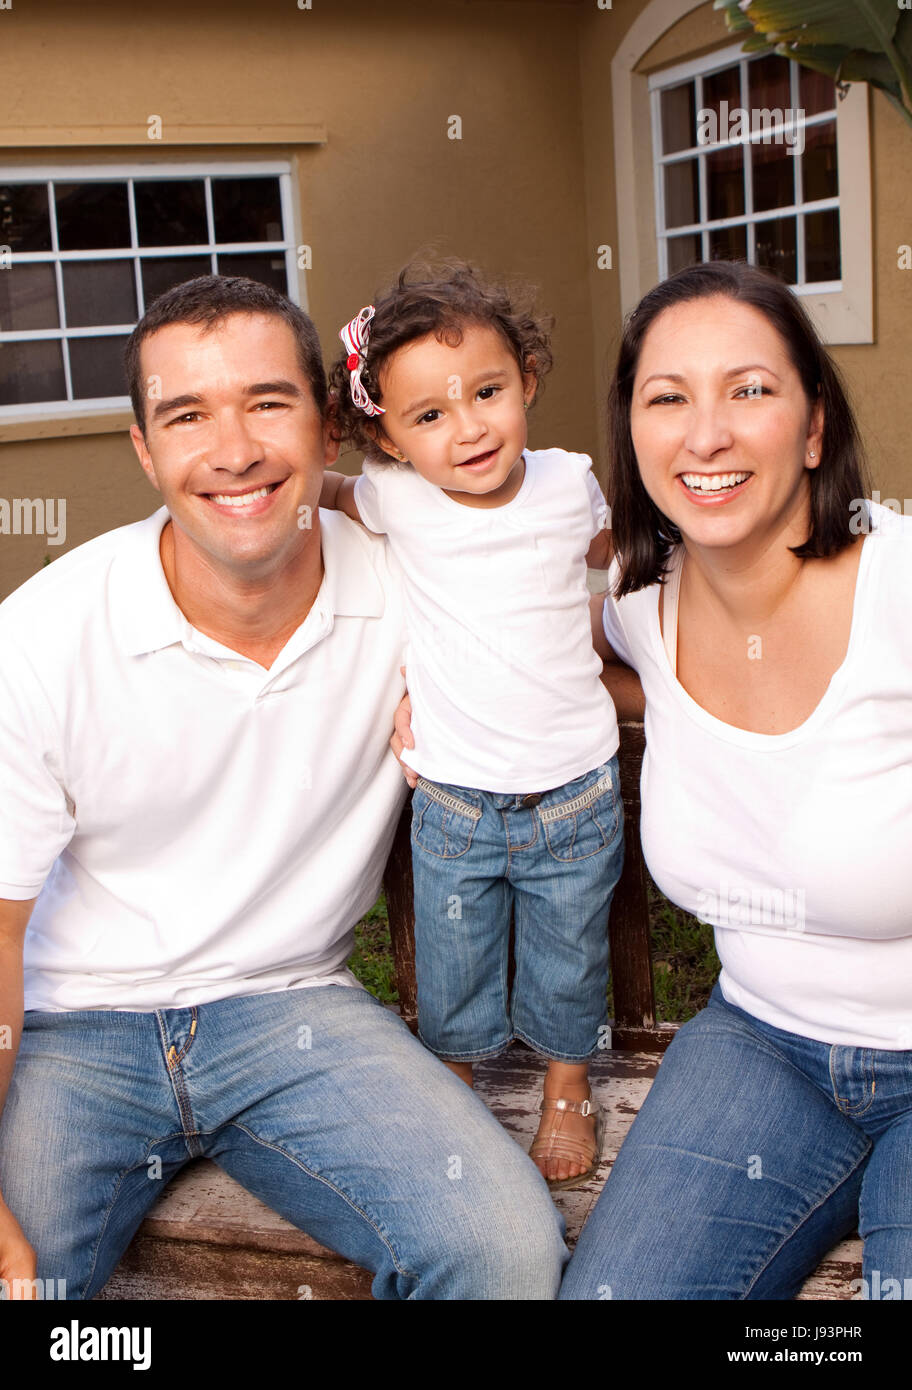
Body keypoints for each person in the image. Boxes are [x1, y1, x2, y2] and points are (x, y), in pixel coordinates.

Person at [0, 274, 566, 1302]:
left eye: (268, 402)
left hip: (292, 1007)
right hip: (70, 1031)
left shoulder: (413, 588)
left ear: (332, 425)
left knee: (504, 1253)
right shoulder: (44, 637)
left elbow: (597, 646)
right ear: (144, 449)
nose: (235, 451)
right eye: (187, 415)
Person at [553, 259, 912, 1298]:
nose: (704, 434)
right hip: (762, 1043)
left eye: (748, 389)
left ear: (812, 429)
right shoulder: (642, 611)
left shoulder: (897, 594)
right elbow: (525, 662)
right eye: (668, 398)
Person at [320, 260, 624, 1189]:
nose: (469, 427)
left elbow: (616, 562)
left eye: (486, 392)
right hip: (453, 796)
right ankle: (452, 1075)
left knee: (570, 956)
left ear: (526, 377)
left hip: (574, 787)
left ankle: (567, 1085)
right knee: (454, 961)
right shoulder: (394, 498)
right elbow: (321, 494)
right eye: (429, 416)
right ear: (392, 440)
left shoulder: (571, 483)